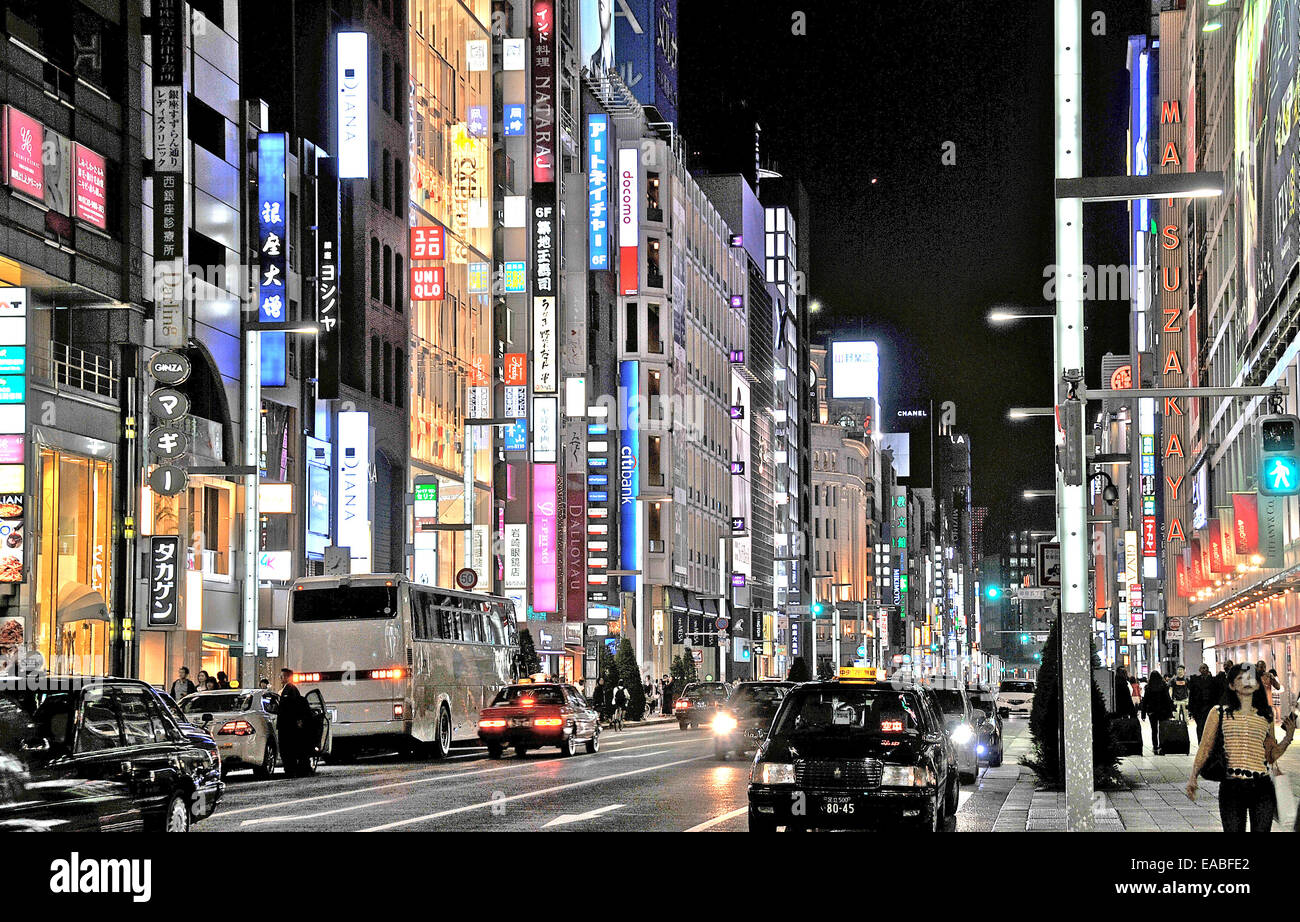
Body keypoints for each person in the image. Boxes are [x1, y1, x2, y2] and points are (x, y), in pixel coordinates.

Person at [1188, 663, 1296, 832]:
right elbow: (1205, 747)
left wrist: (1288, 738)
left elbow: (1271, 755)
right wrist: (1193, 776)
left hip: (1261, 787)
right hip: (1231, 787)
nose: (1246, 681)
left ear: (1257, 684)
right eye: (1240, 678)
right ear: (1232, 685)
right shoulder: (1218, 713)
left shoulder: (1265, 715)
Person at [278, 667, 311, 777]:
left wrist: (297, 720)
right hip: (288, 724)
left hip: (288, 725)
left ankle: (291, 770)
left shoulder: (290, 690)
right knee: (291, 748)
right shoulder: (289, 689)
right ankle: (296, 769)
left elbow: (292, 707)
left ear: (287, 677)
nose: (280, 678)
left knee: (287, 749)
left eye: (282, 676)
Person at [1140, 671, 1174, 754]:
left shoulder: (1148, 687)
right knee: (1162, 729)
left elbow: (1145, 701)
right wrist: (1170, 712)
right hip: (1163, 711)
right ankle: (1162, 745)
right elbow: (1167, 700)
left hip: (1152, 712)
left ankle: (1155, 746)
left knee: (1154, 729)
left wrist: (1143, 713)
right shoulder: (1163, 686)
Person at [1189, 663, 1218, 742]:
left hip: (1209, 707)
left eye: (1205, 668)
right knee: (1200, 726)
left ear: (1208, 669)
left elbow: (1216, 694)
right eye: (1202, 668)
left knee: (1209, 726)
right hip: (1198, 708)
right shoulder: (1195, 681)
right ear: (1199, 670)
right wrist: (1191, 709)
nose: (1204, 670)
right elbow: (1192, 695)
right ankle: (1200, 743)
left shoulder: (1213, 681)